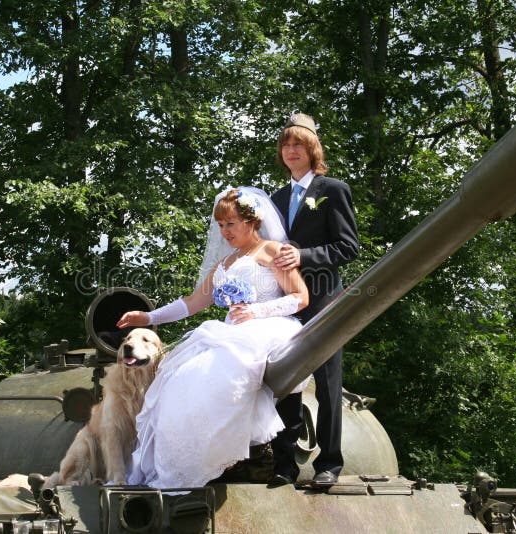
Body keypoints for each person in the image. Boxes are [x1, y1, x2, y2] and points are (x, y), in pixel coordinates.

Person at [116, 187, 309, 488]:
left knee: (228, 376)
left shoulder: (271, 251)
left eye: (230, 223)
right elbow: (192, 303)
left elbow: (300, 297)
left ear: (251, 221)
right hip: (229, 332)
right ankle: (208, 464)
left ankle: (248, 459)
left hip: (268, 327)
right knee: (179, 380)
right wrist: (149, 317)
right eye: (220, 225)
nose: (224, 231)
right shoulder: (224, 264)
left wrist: (257, 312)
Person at [270, 113, 359, 488]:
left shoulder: (332, 190)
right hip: (283, 302)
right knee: (284, 381)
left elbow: (348, 247)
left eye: (298, 145)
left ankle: (329, 464)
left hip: (324, 299)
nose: (291, 151)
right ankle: (284, 466)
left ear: (312, 149)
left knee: (326, 384)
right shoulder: (274, 198)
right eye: (286, 145)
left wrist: (304, 256)